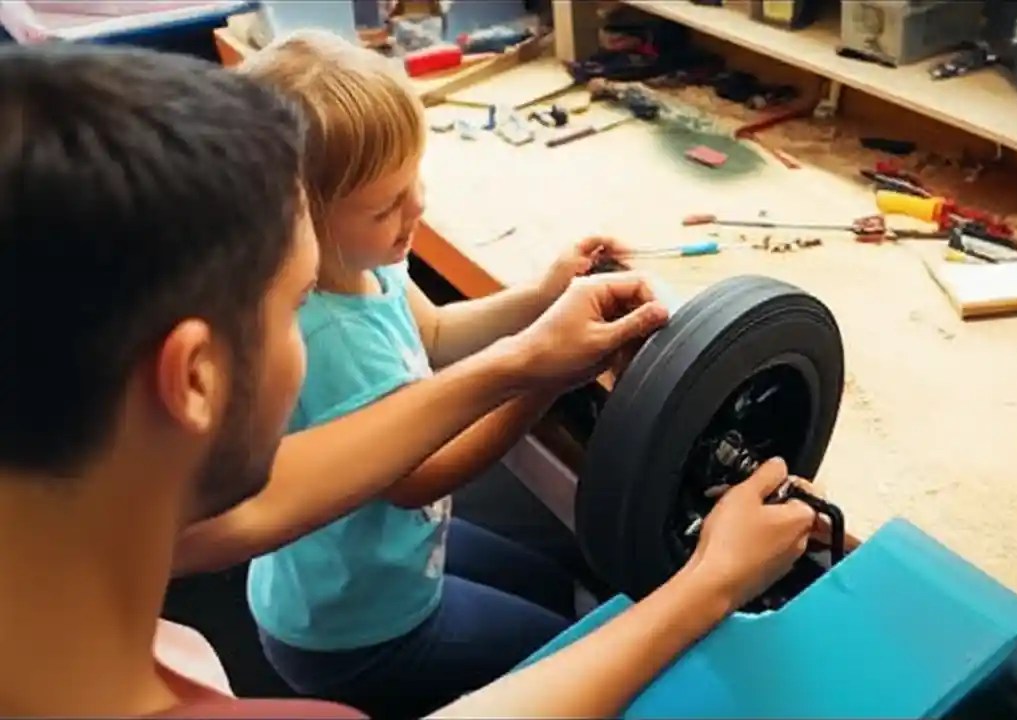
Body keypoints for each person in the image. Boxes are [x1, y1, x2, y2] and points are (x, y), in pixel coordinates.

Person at [0, 42, 820, 718]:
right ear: (194, 376)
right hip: (366, 627)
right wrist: (709, 585)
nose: (308, 328)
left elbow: (251, 509)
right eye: (292, 303)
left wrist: (529, 341)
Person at [163, 29, 633, 716]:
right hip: (359, 627)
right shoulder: (322, 335)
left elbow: (436, 332)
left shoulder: (369, 259)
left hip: (375, 559)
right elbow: (422, 476)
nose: (417, 209)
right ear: (306, 222)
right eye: (387, 205)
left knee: (554, 581)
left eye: (414, 181)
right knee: (573, 647)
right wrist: (544, 379)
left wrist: (543, 297)